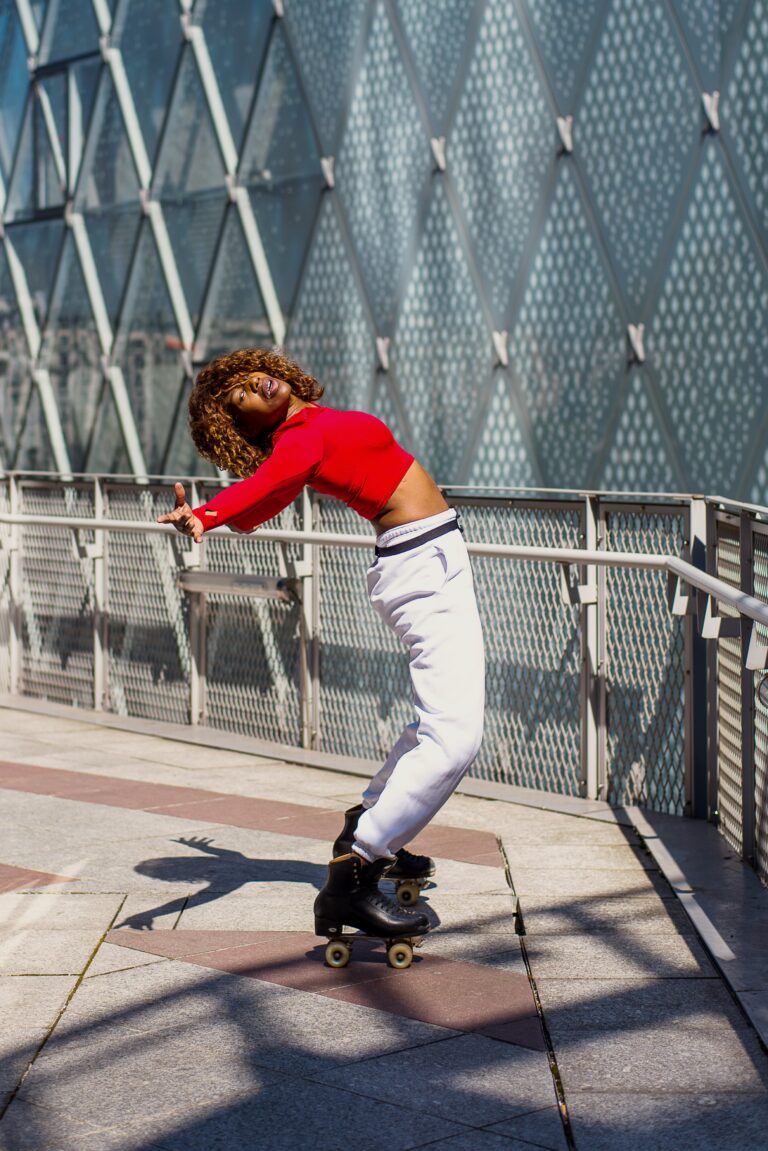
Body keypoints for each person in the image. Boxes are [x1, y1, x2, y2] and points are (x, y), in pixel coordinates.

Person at [158, 347, 485, 943]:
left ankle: (371, 821)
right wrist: (206, 515)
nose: (254, 388)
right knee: (455, 736)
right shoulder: (296, 442)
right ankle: (355, 871)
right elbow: (268, 482)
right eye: (240, 402)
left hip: (428, 556)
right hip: (422, 563)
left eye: (246, 381)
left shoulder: (310, 429)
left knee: (434, 725)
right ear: (251, 428)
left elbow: (272, 495)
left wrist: (227, 512)